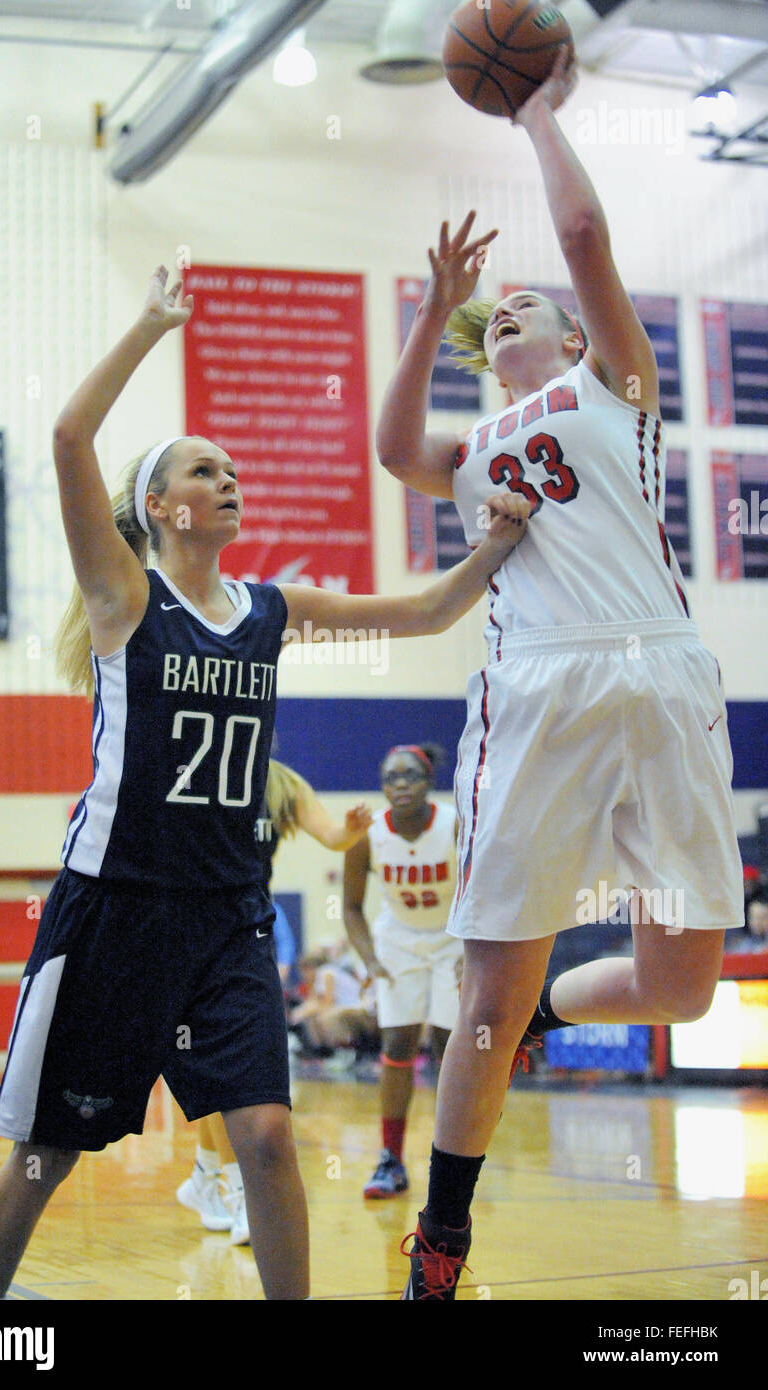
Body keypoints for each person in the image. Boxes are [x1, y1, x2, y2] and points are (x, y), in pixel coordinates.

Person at [0, 265, 531, 1302]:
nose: (229, 478)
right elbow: (66, 443)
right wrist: (147, 326)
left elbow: (423, 614)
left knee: (267, 1135)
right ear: (160, 506)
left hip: (227, 916)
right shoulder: (123, 597)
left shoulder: (267, 609)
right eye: (204, 469)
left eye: (232, 468)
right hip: (115, 911)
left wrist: (495, 539)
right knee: (48, 1157)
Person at [376, 50, 743, 1299]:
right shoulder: (475, 445)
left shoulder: (615, 388)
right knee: (490, 976)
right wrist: (436, 308)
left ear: (582, 338)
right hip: (534, 684)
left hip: (664, 671)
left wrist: (535, 116)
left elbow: (581, 226)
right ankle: (444, 1229)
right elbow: (389, 448)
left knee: (683, 989)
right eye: (506, 314)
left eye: (534, 304)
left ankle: (546, 1019)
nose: (517, 310)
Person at [176, 760, 372, 1245]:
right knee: (206, 1073)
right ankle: (213, 1179)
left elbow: (331, 836)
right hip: (184, 931)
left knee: (237, 1076)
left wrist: (348, 831)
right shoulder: (192, 761)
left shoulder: (281, 781)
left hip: (244, 933)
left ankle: (222, 1182)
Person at [342, 743, 460, 1200]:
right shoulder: (368, 833)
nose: (400, 784)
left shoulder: (453, 823)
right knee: (397, 1043)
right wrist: (370, 960)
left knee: (449, 1045)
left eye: (410, 775)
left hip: (453, 935)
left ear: (428, 781)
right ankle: (390, 1160)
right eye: (391, 777)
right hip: (398, 940)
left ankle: (451, 1157)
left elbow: (483, 885)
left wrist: (475, 945)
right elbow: (351, 906)